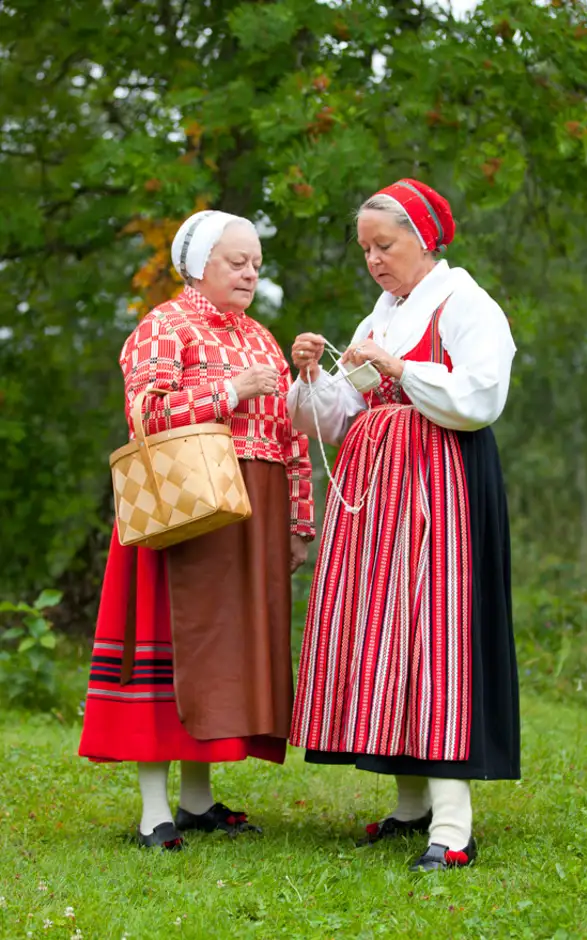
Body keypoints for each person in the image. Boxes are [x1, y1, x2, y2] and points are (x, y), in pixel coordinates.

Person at [287, 178, 519, 871]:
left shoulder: (466, 303)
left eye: (383, 245)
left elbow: (482, 395)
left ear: (422, 238)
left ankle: (453, 827)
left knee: (435, 633)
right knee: (388, 633)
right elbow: (335, 416)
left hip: (440, 483)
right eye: (365, 249)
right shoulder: (381, 314)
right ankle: (410, 805)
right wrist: (308, 380)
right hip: (379, 492)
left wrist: (401, 367)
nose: (374, 260)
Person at [79, 210, 314, 850]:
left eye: (256, 265)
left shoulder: (263, 337)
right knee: (173, 651)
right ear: (198, 263)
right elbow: (146, 415)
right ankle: (154, 812)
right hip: (181, 507)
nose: (249, 273)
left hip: (250, 510)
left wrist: (300, 520)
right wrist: (229, 391)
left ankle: (197, 801)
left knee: (218, 657)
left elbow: (290, 438)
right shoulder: (162, 326)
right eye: (237, 261)